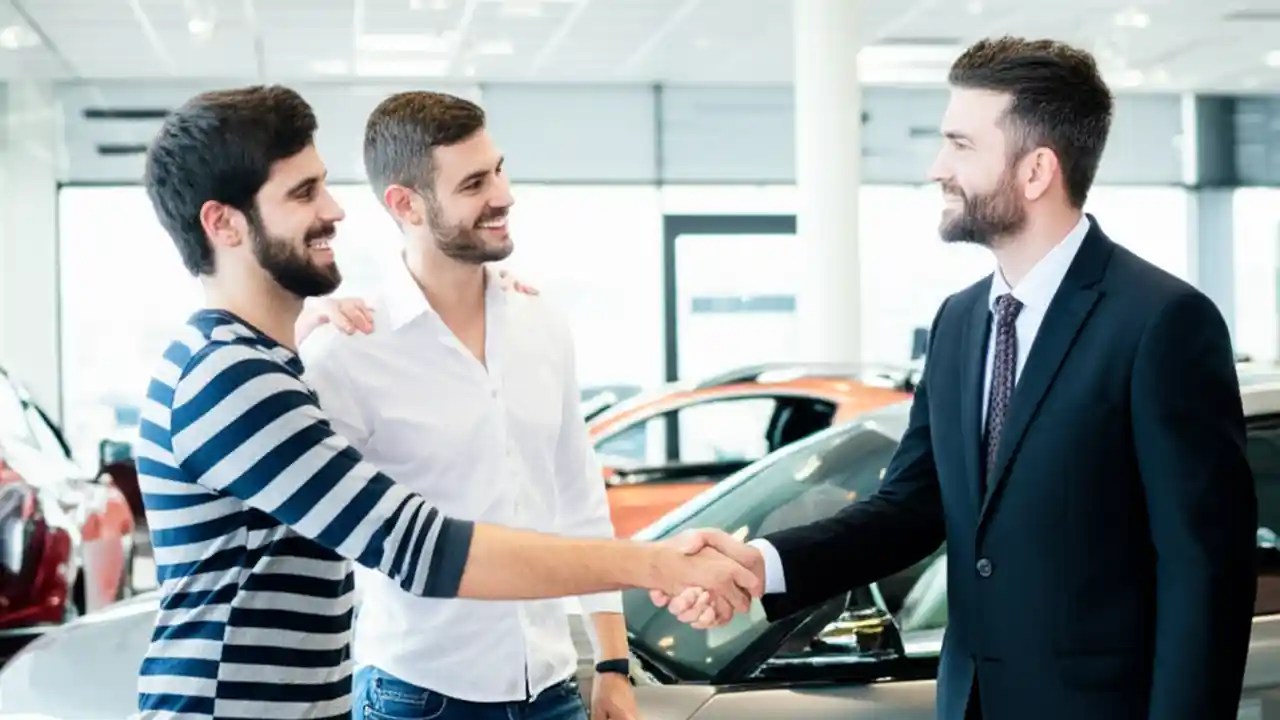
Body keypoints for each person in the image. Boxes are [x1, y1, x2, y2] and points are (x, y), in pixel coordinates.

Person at [655, 36, 1257, 720]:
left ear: (1035, 171)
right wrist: (760, 563)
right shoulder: (961, 322)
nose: (938, 167)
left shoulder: (1162, 322)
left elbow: (1204, 573)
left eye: (961, 145)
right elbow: (911, 507)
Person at [135, 84, 760, 720]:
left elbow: (569, 498)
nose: (336, 210)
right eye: (303, 194)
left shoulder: (270, 363)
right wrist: (655, 564)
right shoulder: (230, 378)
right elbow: (421, 548)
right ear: (223, 223)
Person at [290, 90, 637, 720]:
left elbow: (579, 502)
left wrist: (613, 665)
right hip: (417, 697)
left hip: (552, 690)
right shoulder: (348, 351)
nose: (503, 195)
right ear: (406, 204)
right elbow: (310, 538)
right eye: (475, 182)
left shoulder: (542, 324)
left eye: (499, 170)